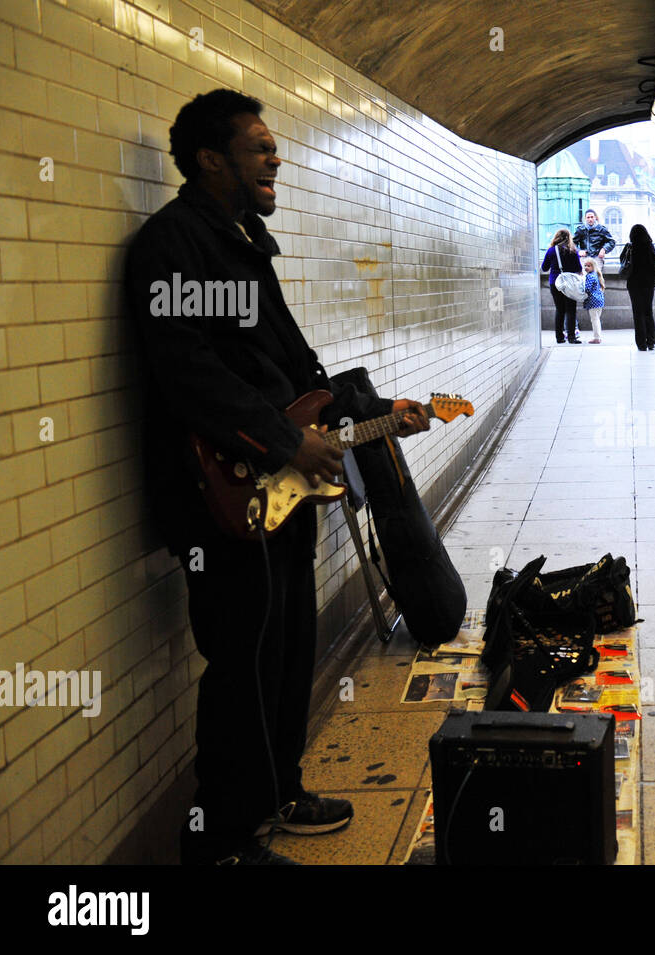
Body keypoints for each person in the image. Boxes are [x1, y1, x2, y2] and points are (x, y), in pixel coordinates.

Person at [123, 89, 431, 865]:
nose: (276, 158)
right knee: (242, 659)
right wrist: (285, 440)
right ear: (209, 158)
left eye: (273, 147)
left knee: (289, 648)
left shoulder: (245, 241)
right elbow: (186, 371)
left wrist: (372, 411)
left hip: (275, 492)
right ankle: (221, 839)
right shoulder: (172, 247)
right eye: (259, 147)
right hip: (220, 496)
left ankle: (277, 789)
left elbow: (294, 369)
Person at [619, 224, 655, 350]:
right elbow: (654, 262)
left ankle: (641, 343)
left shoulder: (630, 247)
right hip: (648, 283)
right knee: (648, 311)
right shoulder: (649, 246)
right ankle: (651, 341)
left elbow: (622, 260)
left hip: (634, 283)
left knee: (638, 313)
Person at [541, 229, 582, 344]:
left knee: (560, 310)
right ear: (569, 238)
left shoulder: (551, 251)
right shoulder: (573, 251)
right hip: (569, 284)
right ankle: (571, 337)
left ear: (556, 237)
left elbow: (544, 268)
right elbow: (578, 268)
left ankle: (559, 338)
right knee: (571, 310)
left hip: (555, 283)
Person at [582, 257, 605, 343]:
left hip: (593, 301)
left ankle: (597, 338)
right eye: (585, 265)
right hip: (599, 301)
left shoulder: (589, 276)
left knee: (594, 320)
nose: (586, 267)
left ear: (593, 266)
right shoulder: (595, 274)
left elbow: (587, 289)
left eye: (589, 266)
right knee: (597, 319)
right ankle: (598, 337)